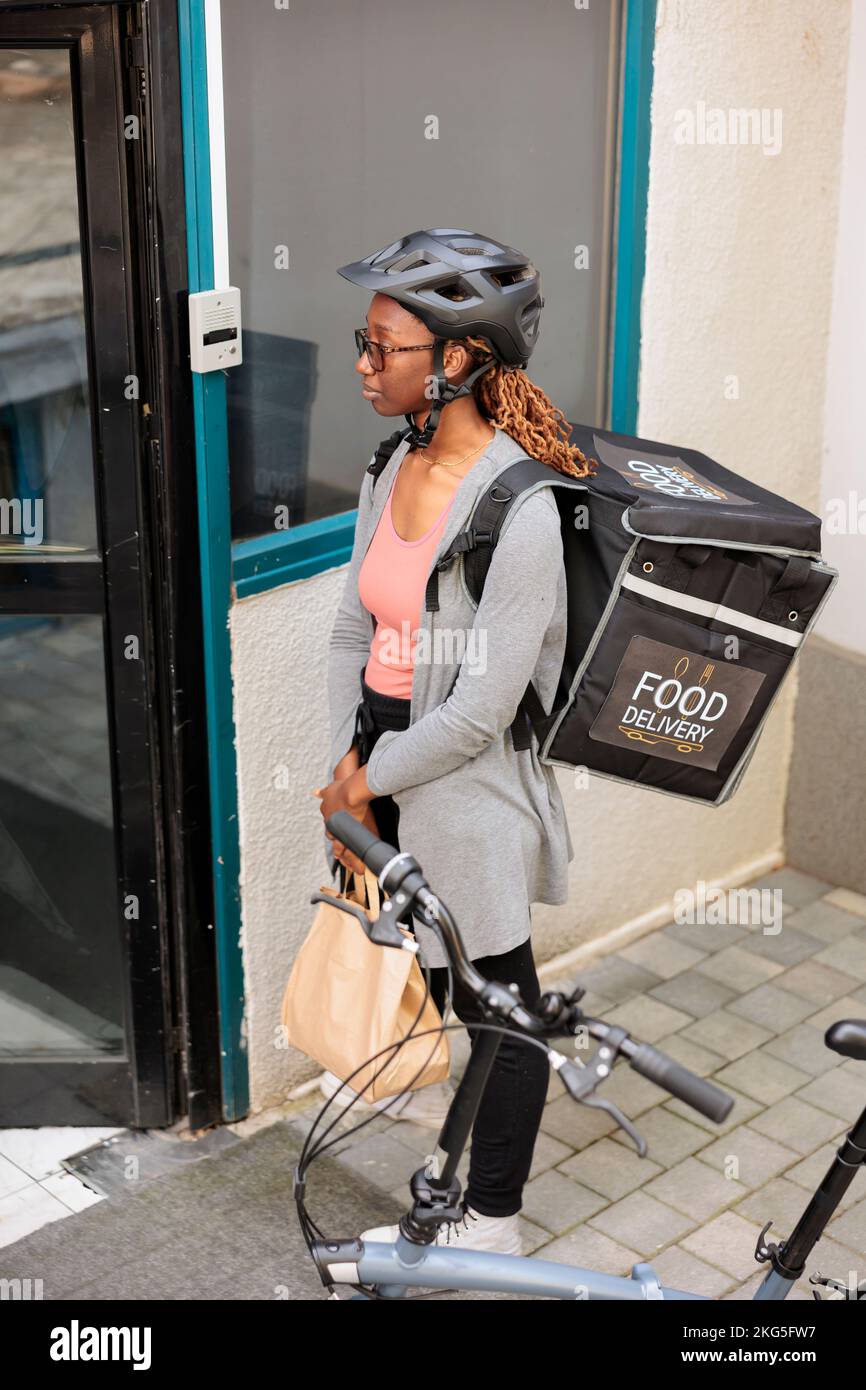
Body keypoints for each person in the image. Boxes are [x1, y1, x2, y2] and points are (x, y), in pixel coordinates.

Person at [313, 229, 598, 1256]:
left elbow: (480, 710)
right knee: (440, 973)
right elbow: (354, 624)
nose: (360, 363)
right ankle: (461, 1155)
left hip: (464, 784)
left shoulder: (517, 508)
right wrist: (344, 759)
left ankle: (495, 1222)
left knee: (501, 1002)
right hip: (384, 758)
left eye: (381, 346)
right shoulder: (389, 463)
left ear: (456, 361)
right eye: (363, 339)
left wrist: (365, 784)